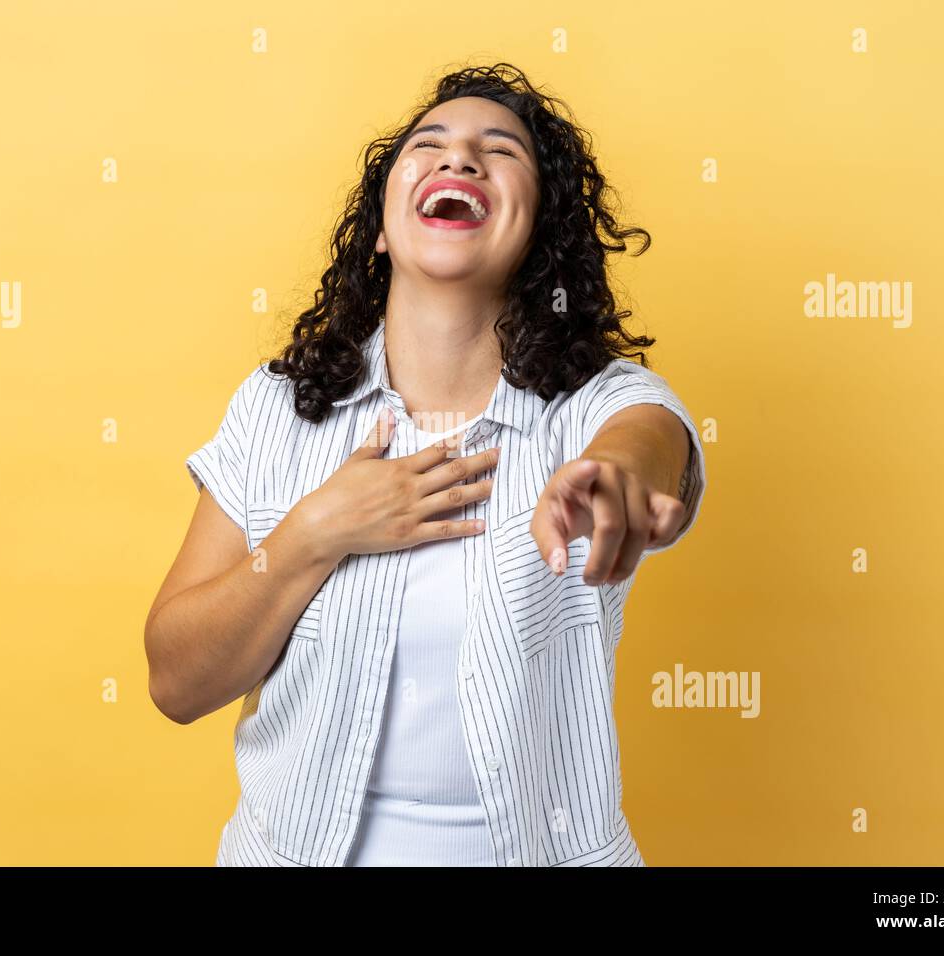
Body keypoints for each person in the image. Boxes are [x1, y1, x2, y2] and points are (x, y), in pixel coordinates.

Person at [145, 62, 706, 866]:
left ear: (540, 230)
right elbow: (176, 684)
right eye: (430, 144)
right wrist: (315, 533)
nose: (460, 158)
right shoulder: (277, 407)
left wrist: (615, 476)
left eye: (499, 150)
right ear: (380, 226)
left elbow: (648, 439)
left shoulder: (593, 406)